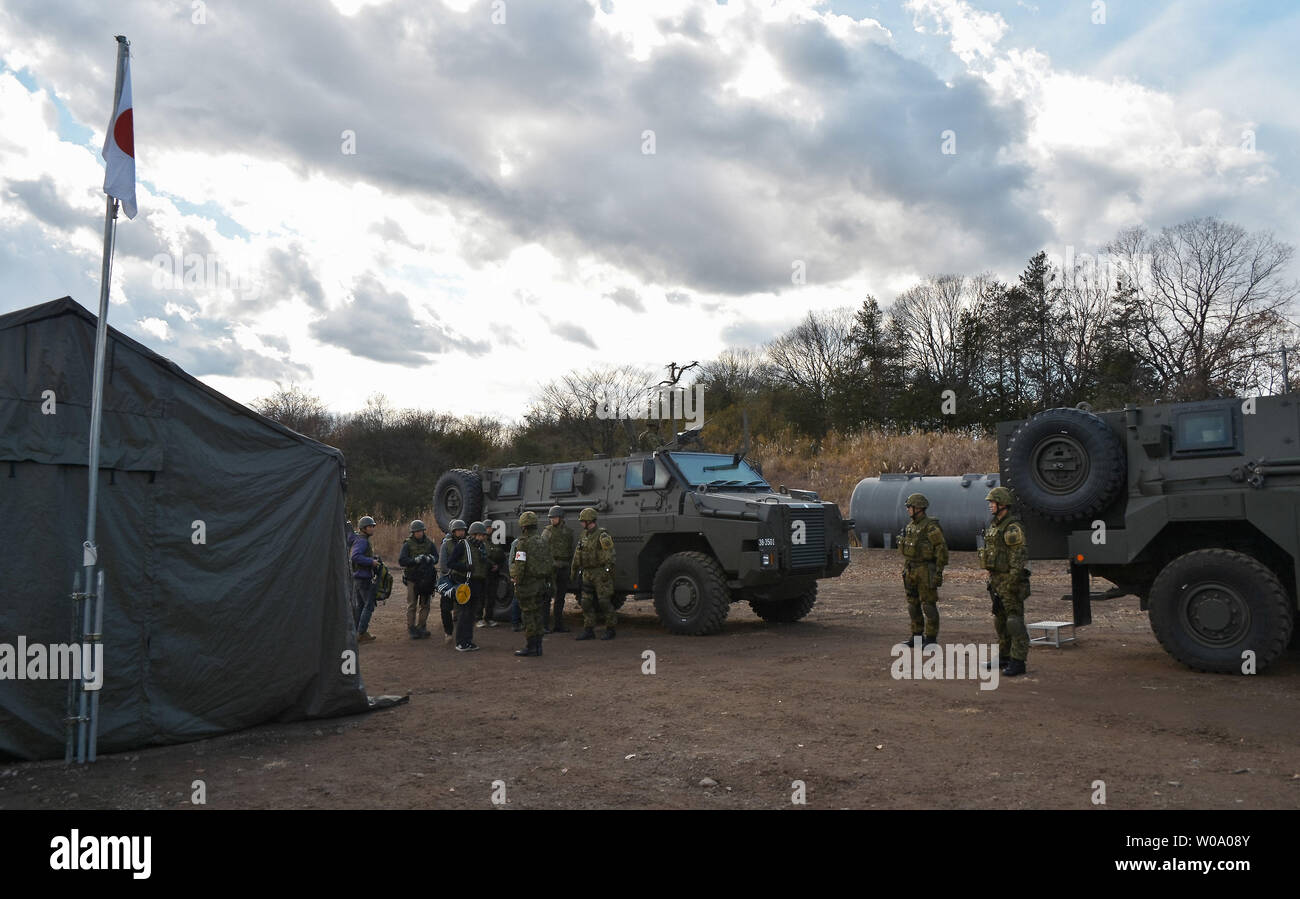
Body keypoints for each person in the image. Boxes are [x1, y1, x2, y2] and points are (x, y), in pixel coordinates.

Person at [980, 486, 1031, 676]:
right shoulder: (995, 525)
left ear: (1003, 504)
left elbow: (1018, 557)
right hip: (996, 580)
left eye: (993, 502)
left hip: (1010, 580)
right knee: (1000, 621)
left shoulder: (1012, 527)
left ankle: (1018, 661)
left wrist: (1011, 582)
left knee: (1014, 621)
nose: (990, 505)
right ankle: (1004, 656)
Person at [898, 493, 948, 647]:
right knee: (912, 605)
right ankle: (917, 637)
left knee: (928, 605)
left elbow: (941, 550)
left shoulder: (931, 527)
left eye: (910, 507)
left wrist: (938, 572)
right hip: (911, 569)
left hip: (926, 570)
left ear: (918, 508)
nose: (908, 510)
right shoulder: (910, 526)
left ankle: (931, 638)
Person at [509, 511, 553, 657]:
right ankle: (538, 646)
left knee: (528, 616)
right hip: (541, 584)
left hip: (527, 585)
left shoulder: (523, 543)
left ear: (523, 526)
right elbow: (550, 563)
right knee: (538, 614)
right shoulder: (543, 542)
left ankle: (531, 646)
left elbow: (520, 566)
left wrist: (517, 580)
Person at [571, 507, 617, 640]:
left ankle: (611, 629)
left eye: (582, 521)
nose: (581, 523)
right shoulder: (584, 535)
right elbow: (578, 554)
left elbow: (610, 554)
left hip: (600, 572)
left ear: (589, 521)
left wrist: (607, 571)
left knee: (604, 602)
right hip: (587, 573)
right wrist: (574, 570)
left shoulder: (602, 535)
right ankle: (589, 629)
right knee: (585, 602)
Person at [440, 519, 478, 651]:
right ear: (453, 531)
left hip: (462, 580)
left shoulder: (468, 543)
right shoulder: (446, 545)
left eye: (463, 530)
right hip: (449, 579)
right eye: (458, 530)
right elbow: (444, 565)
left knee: (462, 610)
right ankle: (448, 632)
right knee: (445, 607)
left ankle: (461, 637)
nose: (461, 532)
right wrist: (454, 572)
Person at [399, 519, 439, 639]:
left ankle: (422, 626)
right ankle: (411, 628)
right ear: (413, 532)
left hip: (427, 578)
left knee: (425, 604)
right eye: (417, 531)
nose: (419, 533)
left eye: (421, 531)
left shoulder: (429, 543)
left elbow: (436, 557)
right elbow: (402, 560)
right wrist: (415, 560)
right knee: (412, 604)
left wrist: (430, 558)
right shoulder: (407, 544)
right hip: (413, 578)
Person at [541, 505, 575, 633]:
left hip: (564, 567)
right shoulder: (547, 531)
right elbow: (542, 549)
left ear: (560, 518)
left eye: (554, 518)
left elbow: (570, 550)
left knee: (560, 598)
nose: (552, 520)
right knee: (546, 597)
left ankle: (558, 625)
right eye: (551, 518)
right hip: (551, 567)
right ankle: (544, 625)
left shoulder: (568, 532)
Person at [350, 516, 381, 644]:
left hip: (359, 577)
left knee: (361, 606)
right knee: (369, 605)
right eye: (370, 526)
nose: (372, 528)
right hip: (363, 578)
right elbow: (355, 556)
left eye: (373, 526)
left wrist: (372, 558)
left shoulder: (360, 539)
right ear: (363, 528)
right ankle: (361, 633)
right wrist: (371, 561)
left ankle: (357, 632)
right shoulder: (362, 541)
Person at [480, 519, 505, 628]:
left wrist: (498, 566)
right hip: (483, 573)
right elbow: (480, 556)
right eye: (487, 528)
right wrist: (491, 564)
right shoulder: (480, 542)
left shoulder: (495, 541)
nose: (489, 530)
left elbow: (502, 556)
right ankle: (479, 618)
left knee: (492, 597)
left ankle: (489, 618)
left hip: (494, 573)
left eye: (490, 528)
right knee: (481, 597)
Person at [467, 521, 491, 634]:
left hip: (482, 575)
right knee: (472, 599)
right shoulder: (467, 545)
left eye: (482, 535)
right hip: (472, 576)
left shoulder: (482, 546)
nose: (482, 537)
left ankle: (479, 617)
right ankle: (476, 618)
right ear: (473, 534)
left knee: (481, 597)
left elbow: (485, 559)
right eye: (480, 535)